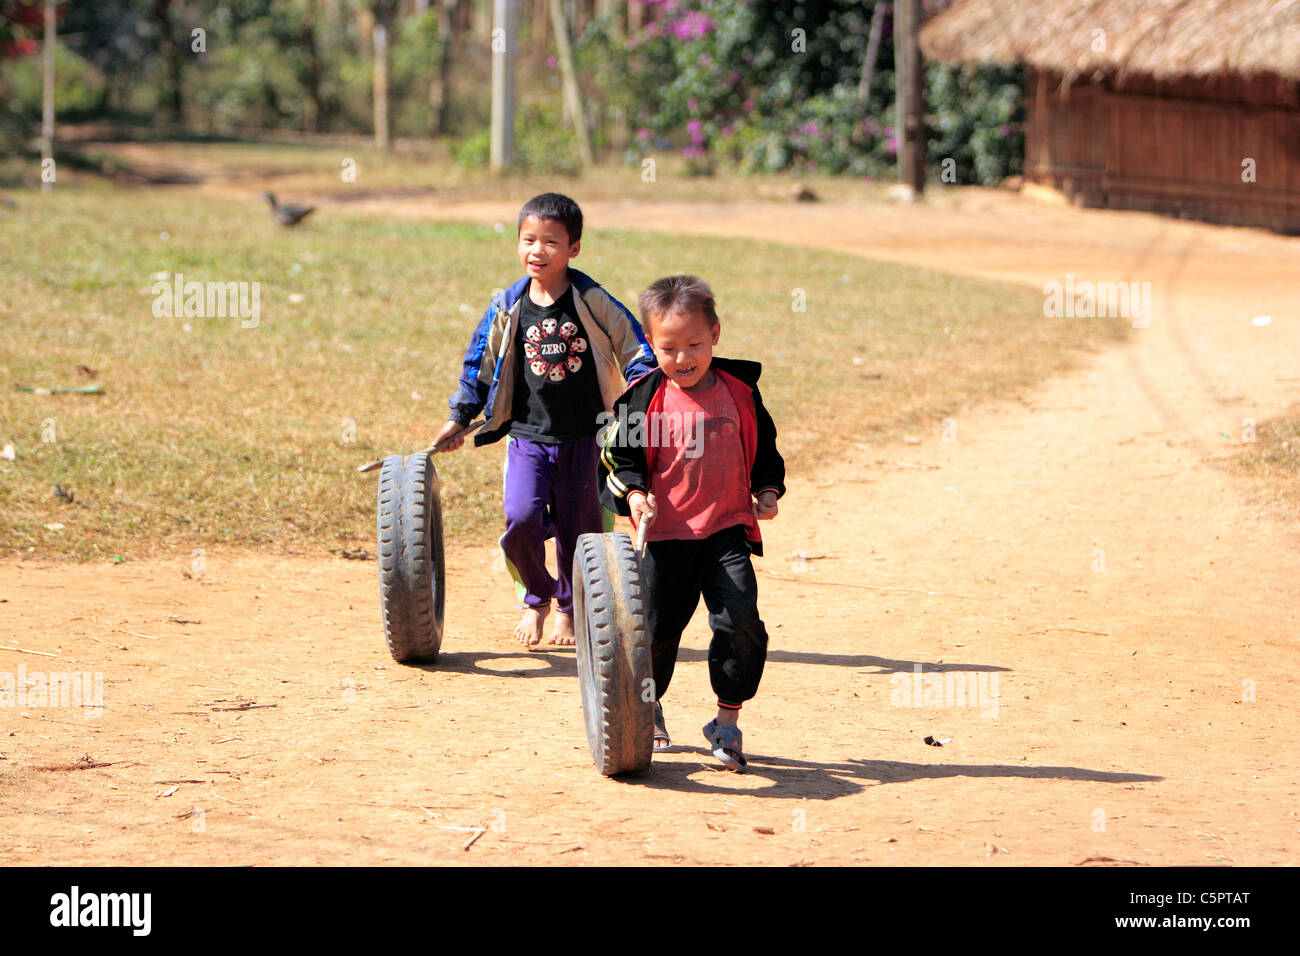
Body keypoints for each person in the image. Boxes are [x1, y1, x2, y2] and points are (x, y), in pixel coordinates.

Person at [433, 193, 655, 647]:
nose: (538, 250)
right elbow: (480, 363)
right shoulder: (507, 304)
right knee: (520, 520)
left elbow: (636, 350)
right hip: (527, 438)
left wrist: (639, 403)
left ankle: (569, 613)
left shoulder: (591, 298)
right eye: (528, 239)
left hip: (586, 440)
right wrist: (460, 416)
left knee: (581, 532)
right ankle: (536, 597)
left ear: (573, 248)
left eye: (551, 241)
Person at [599, 274, 785, 771]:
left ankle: (726, 721)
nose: (682, 358)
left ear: (716, 335)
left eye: (694, 345)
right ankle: (648, 706)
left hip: (726, 533)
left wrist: (766, 489)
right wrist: (636, 495)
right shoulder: (644, 400)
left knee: (741, 621)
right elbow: (621, 458)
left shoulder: (741, 393)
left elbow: (765, 449)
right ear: (651, 345)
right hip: (665, 539)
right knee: (655, 633)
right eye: (668, 348)